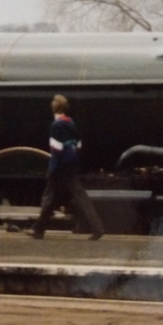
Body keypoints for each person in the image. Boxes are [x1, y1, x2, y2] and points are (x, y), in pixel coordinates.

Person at [29, 94, 104, 241]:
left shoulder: (55, 126)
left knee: (49, 198)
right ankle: (97, 227)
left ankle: (38, 230)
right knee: (81, 198)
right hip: (71, 166)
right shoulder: (71, 123)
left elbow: (56, 149)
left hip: (59, 168)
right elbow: (79, 144)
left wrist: (52, 169)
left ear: (53, 109)